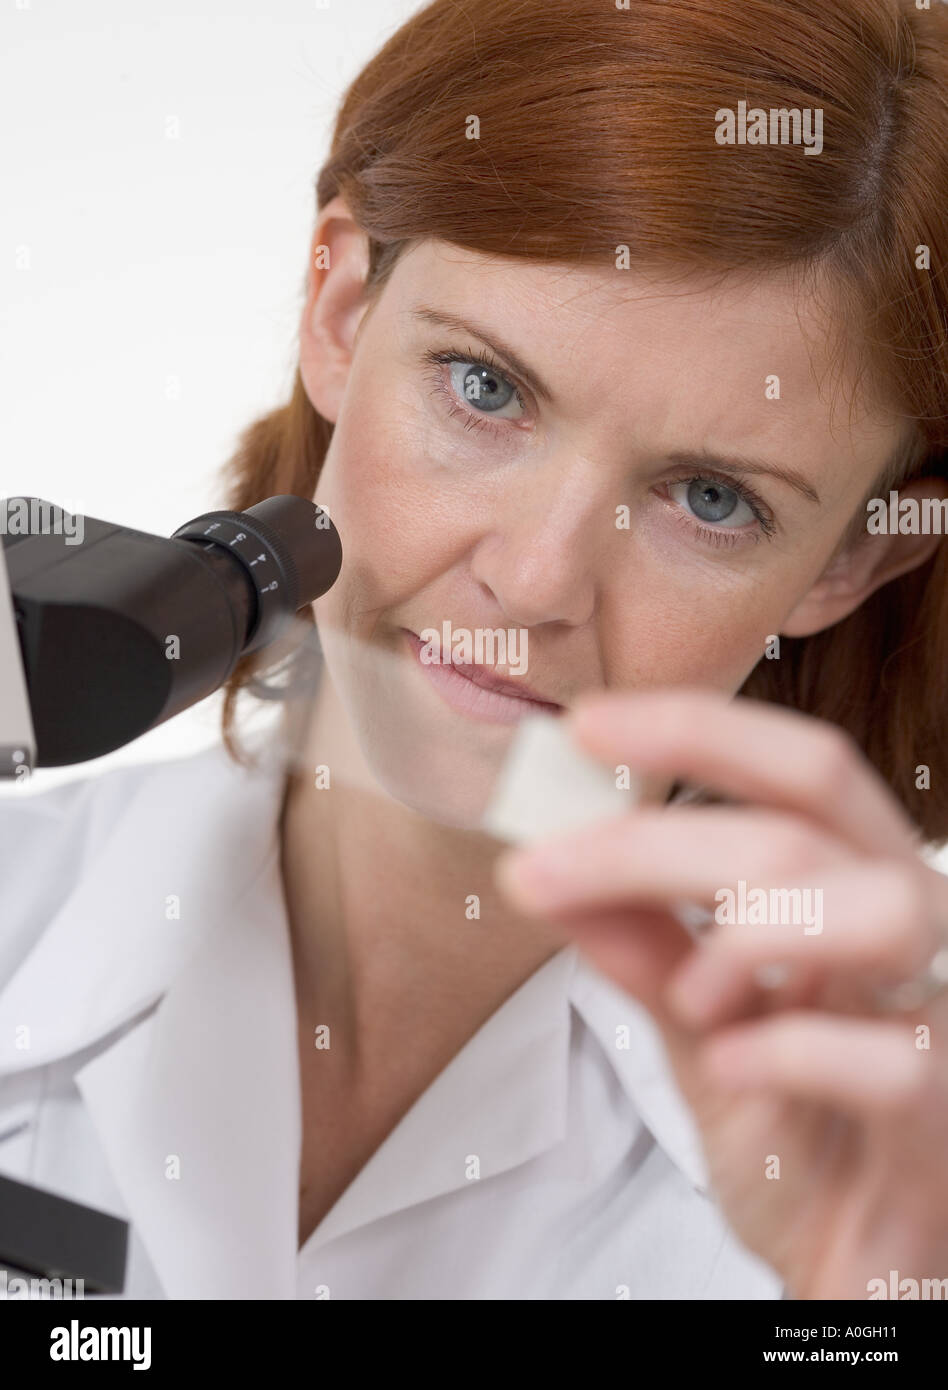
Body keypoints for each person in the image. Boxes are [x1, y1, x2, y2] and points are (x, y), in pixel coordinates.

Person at [1, 0, 947, 1300]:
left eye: (711, 498)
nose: (538, 576)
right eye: (486, 387)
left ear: (851, 558)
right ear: (339, 308)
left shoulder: (890, 1150)